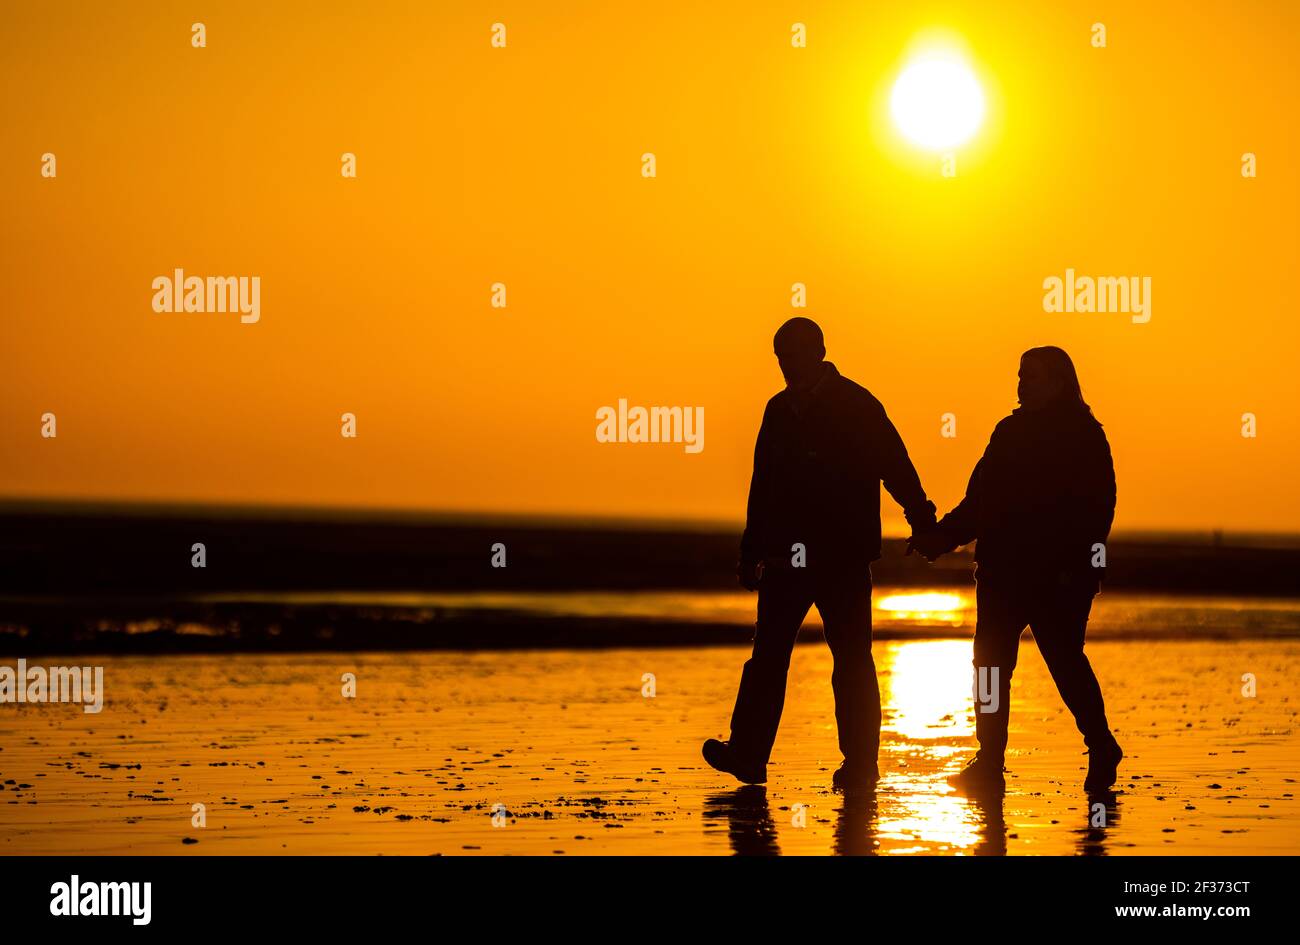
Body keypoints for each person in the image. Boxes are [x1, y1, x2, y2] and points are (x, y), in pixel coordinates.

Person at [703, 317, 936, 790]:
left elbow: (894, 462)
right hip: (786, 558)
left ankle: (861, 765)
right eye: (780, 357)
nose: (786, 366)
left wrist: (920, 516)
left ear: (819, 351)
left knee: (851, 659)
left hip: (842, 556)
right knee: (767, 657)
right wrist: (752, 550)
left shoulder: (856, 404)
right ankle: (748, 755)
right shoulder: (778, 410)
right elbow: (762, 484)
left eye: (793, 355)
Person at [909, 346, 1123, 793]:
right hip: (1001, 574)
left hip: (1059, 578)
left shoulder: (1084, 435)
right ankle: (989, 759)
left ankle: (1101, 744)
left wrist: (1077, 566)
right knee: (989, 667)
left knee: (1064, 661)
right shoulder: (1007, 432)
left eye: (1033, 377)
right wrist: (939, 539)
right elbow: (978, 502)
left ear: (1060, 382)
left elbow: (1099, 509)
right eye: (1020, 375)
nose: (1022, 384)